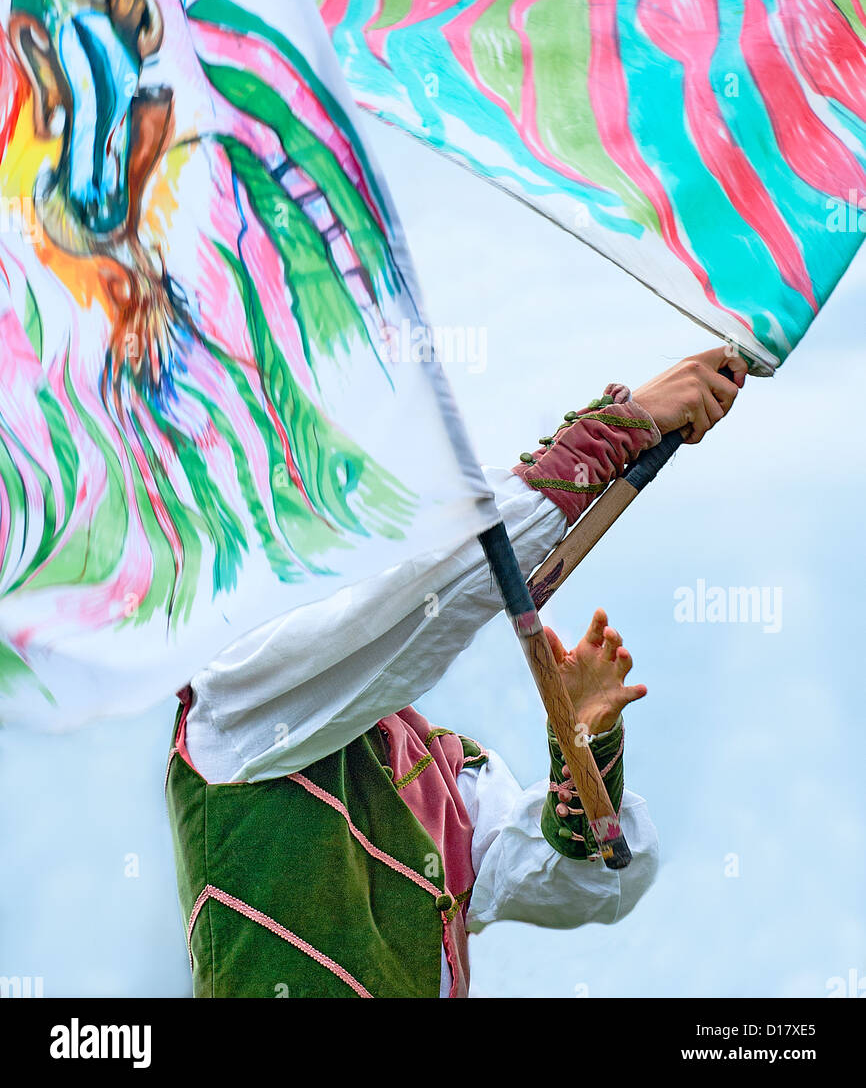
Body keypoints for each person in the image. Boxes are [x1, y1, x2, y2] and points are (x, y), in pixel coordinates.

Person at [166, 348, 747, 997]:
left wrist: (584, 752)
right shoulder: (232, 698)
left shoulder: (439, 769)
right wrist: (621, 429)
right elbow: (428, 592)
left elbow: (593, 884)